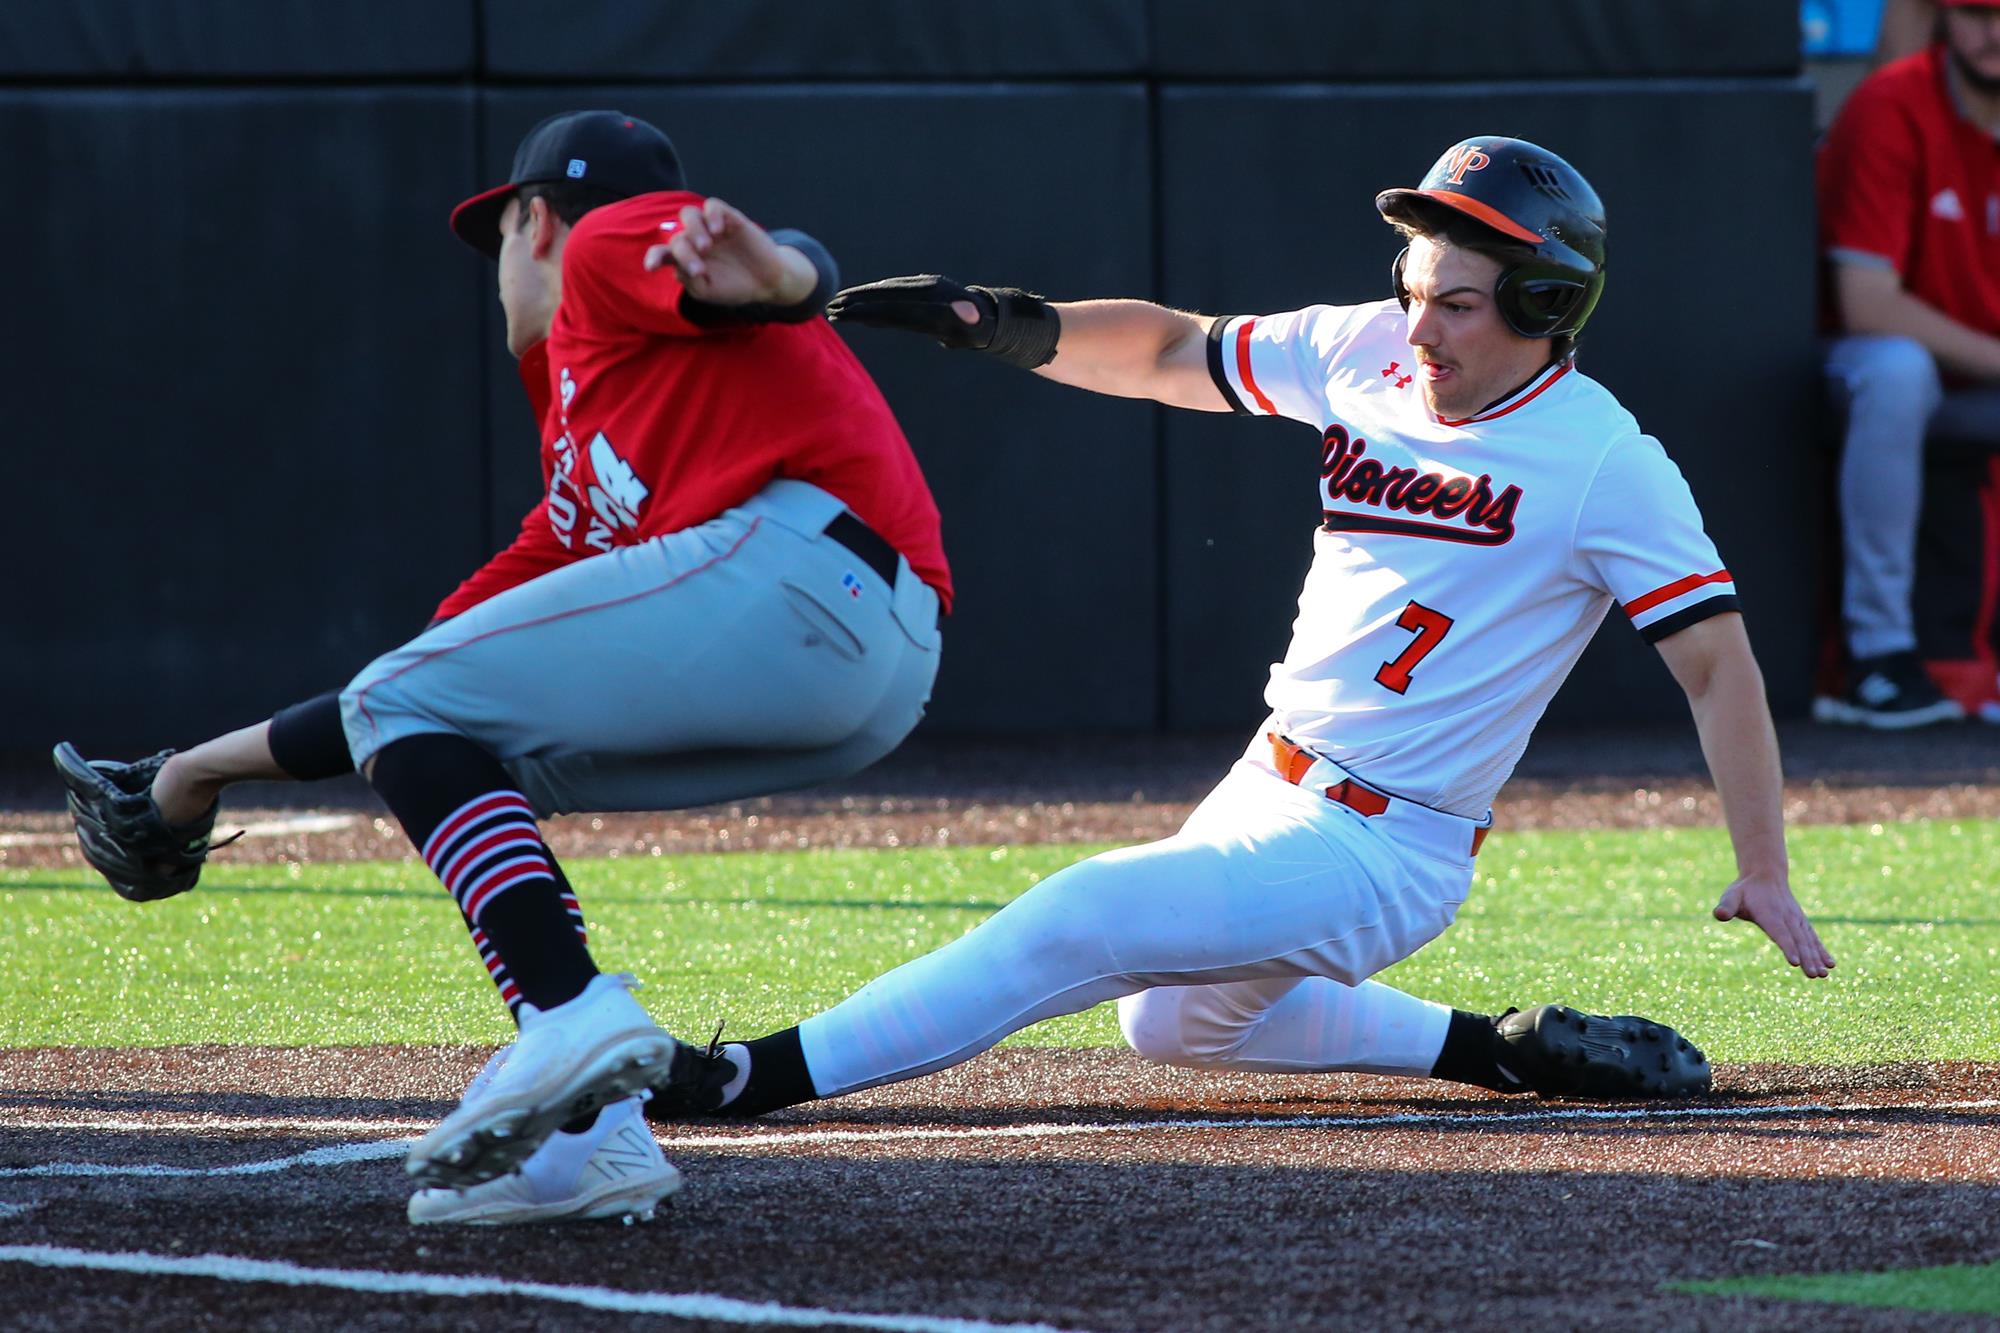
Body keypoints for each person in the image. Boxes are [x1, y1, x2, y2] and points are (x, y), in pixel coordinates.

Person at [647, 136, 1834, 1128]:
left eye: (1456, 305)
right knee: (1166, 1021)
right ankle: (1510, 1050)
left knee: (1082, 914)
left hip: (1388, 845)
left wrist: (1762, 867)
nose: (1419, 328)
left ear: (1546, 301)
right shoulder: (1366, 346)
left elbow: (1714, 664)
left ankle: (747, 1074)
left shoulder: (1602, 464)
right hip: (1268, 780)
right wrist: (1000, 321)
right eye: (1413, 290)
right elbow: (1171, 348)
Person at [54, 109, 952, 1224]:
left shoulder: (603, 252)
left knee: (419, 712)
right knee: (443, 742)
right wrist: (190, 774)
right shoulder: (585, 465)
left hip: (805, 574)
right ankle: (598, 1131)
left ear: (534, 220)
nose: (503, 271)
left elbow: (774, 270)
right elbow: (388, 707)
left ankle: (573, 1020)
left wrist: (778, 268)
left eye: (502, 242)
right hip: (869, 673)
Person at [1814, 0, 2000, 727]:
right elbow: (1868, 304)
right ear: (1945, 18)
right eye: (1976, 12)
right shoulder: (1893, 103)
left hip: (1976, 366)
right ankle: (1880, 656)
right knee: (1897, 371)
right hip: (1852, 365)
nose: (1993, 32)